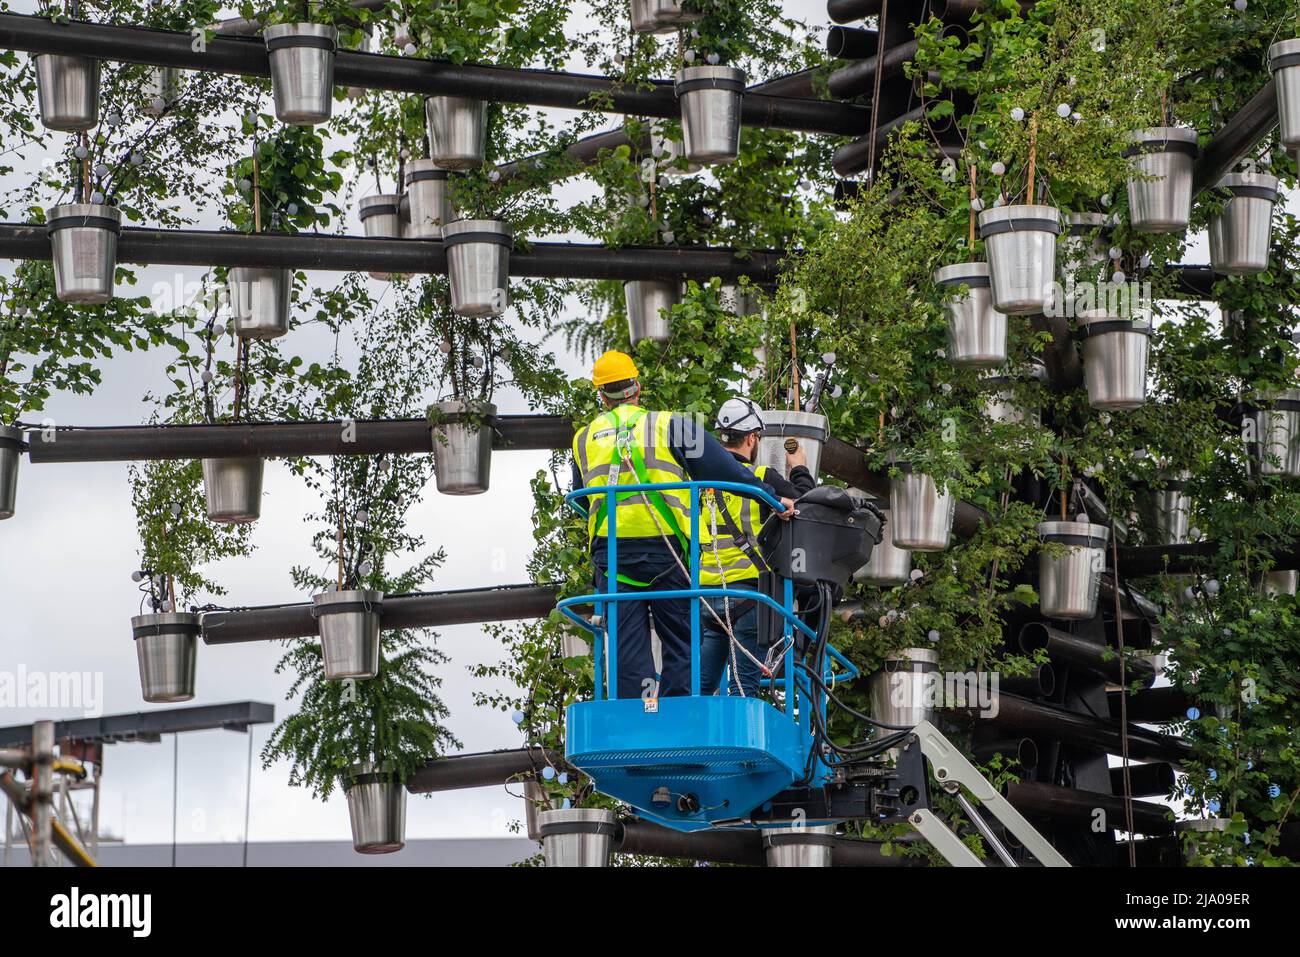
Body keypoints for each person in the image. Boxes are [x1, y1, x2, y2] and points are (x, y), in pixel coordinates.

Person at [571, 352, 796, 701]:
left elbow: (584, 498)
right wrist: (771, 498)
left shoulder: (584, 438)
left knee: (626, 644)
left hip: (611, 555)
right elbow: (724, 470)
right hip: (666, 551)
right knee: (680, 638)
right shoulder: (670, 425)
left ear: (601, 395)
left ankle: (638, 717)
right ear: (637, 388)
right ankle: (679, 715)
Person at [698, 397, 816, 697]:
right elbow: (808, 505)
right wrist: (799, 466)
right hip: (748, 595)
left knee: (701, 686)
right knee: (743, 687)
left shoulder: (697, 485)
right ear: (752, 438)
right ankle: (742, 745)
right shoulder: (761, 478)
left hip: (708, 597)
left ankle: (683, 736)